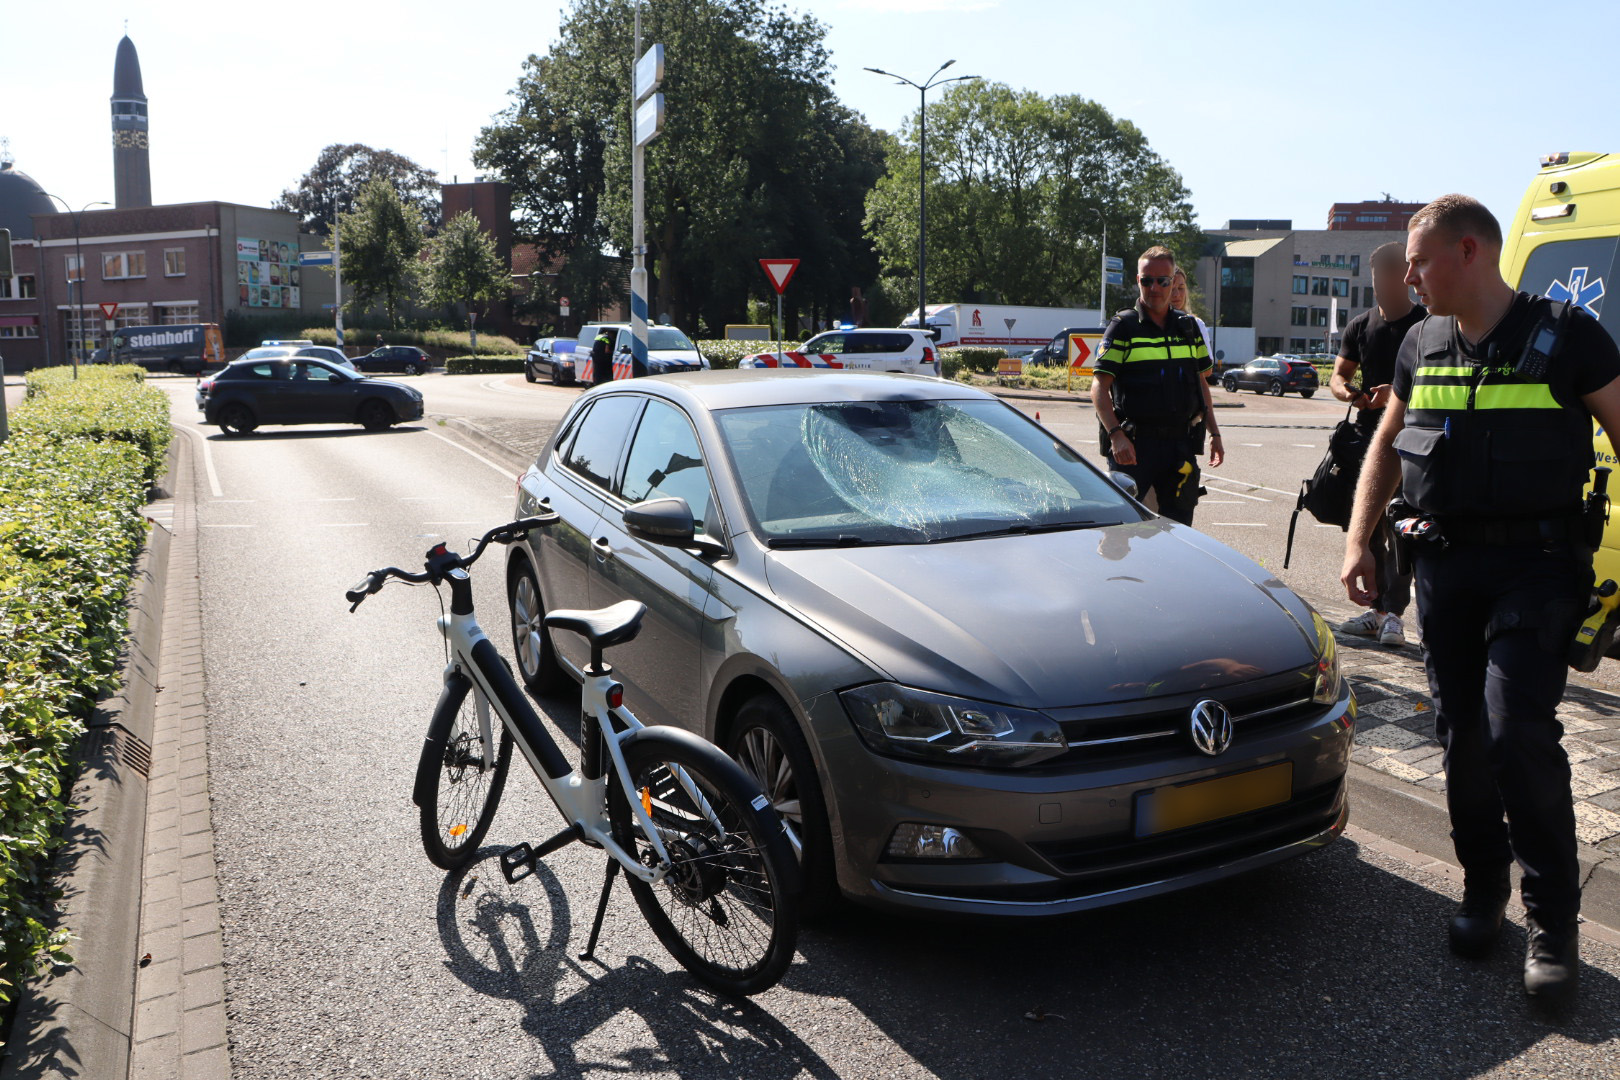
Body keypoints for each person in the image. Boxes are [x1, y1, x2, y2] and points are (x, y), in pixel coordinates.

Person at [1340, 194, 1620, 1003]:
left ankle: (1553, 923)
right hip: (1445, 570)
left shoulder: (1568, 335)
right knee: (1461, 737)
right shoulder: (1420, 343)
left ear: (1469, 253)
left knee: (1515, 734)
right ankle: (1481, 891)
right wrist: (1360, 542)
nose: (1409, 276)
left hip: (1537, 569)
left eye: (1420, 261)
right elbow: (1388, 443)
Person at [1330, 242, 1427, 646]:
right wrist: (1350, 394)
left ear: (1400, 277)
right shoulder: (1360, 325)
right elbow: (1337, 376)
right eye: (1374, 278)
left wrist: (1399, 393)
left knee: (1400, 528)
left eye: (1386, 276)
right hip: (1366, 440)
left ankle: (1393, 614)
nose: (1379, 285)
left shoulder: (1425, 322)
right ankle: (1376, 609)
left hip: (1410, 438)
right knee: (1366, 526)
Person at [1092, 247, 1224, 525]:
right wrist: (1116, 435)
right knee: (1123, 530)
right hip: (1134, 447)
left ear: (1172, 280)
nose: (1154, 287)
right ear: (1137, 280)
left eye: (1162, 281)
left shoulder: (1188, 328)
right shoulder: (1123, 327)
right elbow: (1099, 388)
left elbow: (1202, 386)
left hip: (1179, 446)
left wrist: (1215, 434)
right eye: (1146, 280)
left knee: (1179, 530)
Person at [1169, 270, 1214, 356]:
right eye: (1171, 289)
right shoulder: (1152, 324)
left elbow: (1207, 364)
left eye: (1181, 288)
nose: (1176, 294)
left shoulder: (1197, 324)